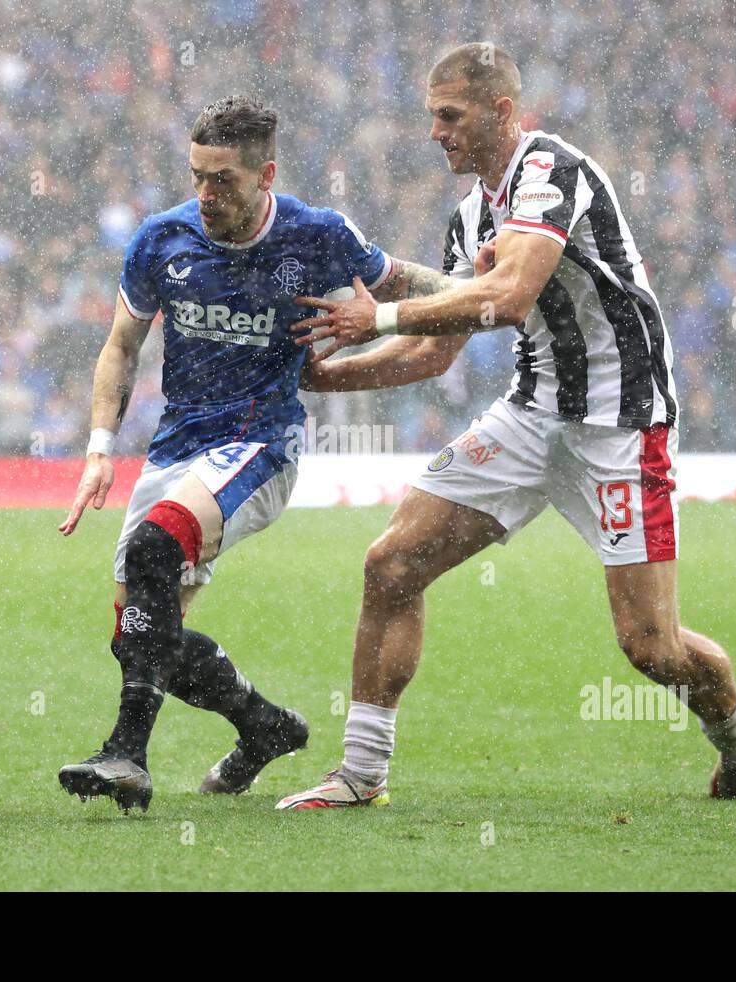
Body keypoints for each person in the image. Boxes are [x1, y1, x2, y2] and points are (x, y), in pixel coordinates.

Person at [277, 44, 736, 810]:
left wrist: (372, 312)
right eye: (430, 117)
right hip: (532, 412)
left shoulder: (550, 171)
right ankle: (362, 774)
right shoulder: (469, 214)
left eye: (450, 116)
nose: (435, 132)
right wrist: (324, 377)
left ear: (501, 112)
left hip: (622, 423)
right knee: (393, 565)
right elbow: (432, 353)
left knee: (650, 648)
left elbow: (507, 297)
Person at [57, 95, 459, 811]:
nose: (206, 195)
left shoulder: (317, 236)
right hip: (176, 447)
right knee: (138, 637)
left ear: (265, 174)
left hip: (260, 444)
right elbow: (121, 346)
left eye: (223, 181)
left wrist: (478, 292)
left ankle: (126, 755)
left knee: (154, 549)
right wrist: (97, 448)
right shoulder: (162, 239)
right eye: (197, 176)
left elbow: (412, 284)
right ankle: (265, 726)